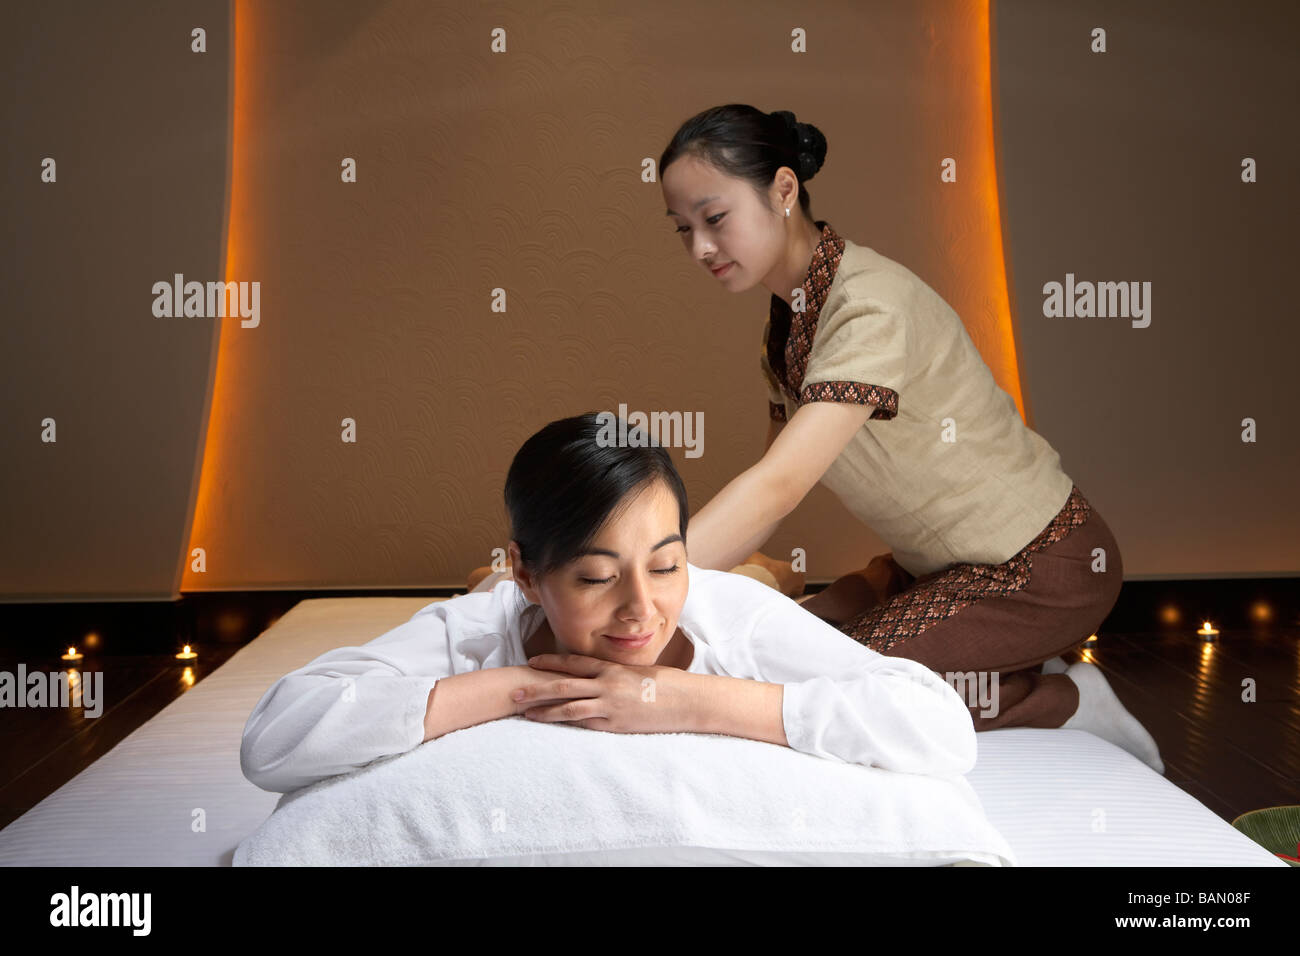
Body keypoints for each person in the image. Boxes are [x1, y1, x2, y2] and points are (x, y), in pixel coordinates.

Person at [657, 104, 1163, 774]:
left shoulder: (869, 305)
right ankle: (1004, 654)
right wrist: (700, 585)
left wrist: (653, 582)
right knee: (785, 647)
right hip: (935, 570)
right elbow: (775, 471)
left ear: (783, 190)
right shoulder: (786, 326)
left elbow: (780, 485)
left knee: (838, 685)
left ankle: (1067, 701)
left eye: (714, 219)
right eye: (684, 228)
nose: (699, 247)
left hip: (1039, 569)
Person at [240, 413, 975, 794]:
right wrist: (521, 686)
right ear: (528, 576)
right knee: (478, 586)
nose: (640, 611)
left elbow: (940, 728)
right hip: (502, 592)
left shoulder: (724, 615)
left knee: (754, 582)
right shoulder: (480, 626)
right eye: (596, 577)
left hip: (738, 590)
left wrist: (685, 699)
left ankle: (801, 576)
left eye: (665, 563)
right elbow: (273, 738)